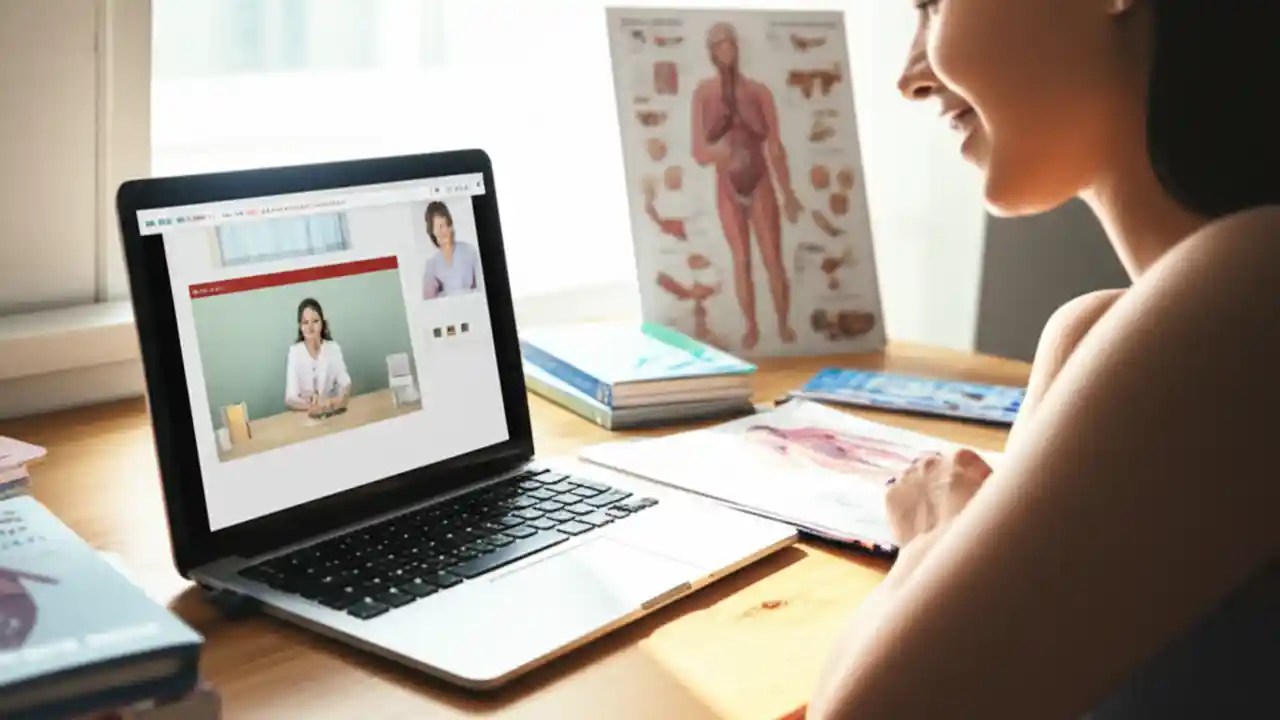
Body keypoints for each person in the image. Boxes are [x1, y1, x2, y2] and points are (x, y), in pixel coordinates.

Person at [807, 1, 1278, 718]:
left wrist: (940, 530)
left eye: (933, 4)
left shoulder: (1253, 293)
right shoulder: (1097, 334)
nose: (909, 77)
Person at [692, 22, 803, 350]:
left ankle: (783, 323)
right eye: (718, 44)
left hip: (760, 181)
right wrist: (720, 151)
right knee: (741, 260)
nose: (725, 49)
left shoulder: (758, 92)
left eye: (729, 43)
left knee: (772, 258)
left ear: (737, 47)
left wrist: (788, 193)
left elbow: (775, 147)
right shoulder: (704, 94)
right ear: (711, 52)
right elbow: (699, 151)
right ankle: (752, 326)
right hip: (727, 182)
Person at [745, 425, 916, 477]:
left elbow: (834, 435)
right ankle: (893, 474)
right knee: (862, 468)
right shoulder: (792, 453)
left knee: (872, 455)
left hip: (843, 448)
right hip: (838, 461)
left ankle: (908, 465)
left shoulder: (802, 435)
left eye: (767, 434)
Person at [285, 298, 351, 417]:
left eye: (315, 321)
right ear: (300, 326)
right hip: (306, 417)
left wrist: (340, 398)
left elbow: (345, 383)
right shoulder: (294, 352)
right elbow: (290, 399)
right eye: (305, 322)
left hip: (331, 414)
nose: (310, 327)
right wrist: (312, 406)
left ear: (322, 323)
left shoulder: (333, 348)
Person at [421, 201, 480, 299]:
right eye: (439, 227)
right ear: (432, 232)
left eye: (446, 225)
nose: (444, 231)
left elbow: (481, 288)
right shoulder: (431, 265)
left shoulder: (469, 252)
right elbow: (429, 304)